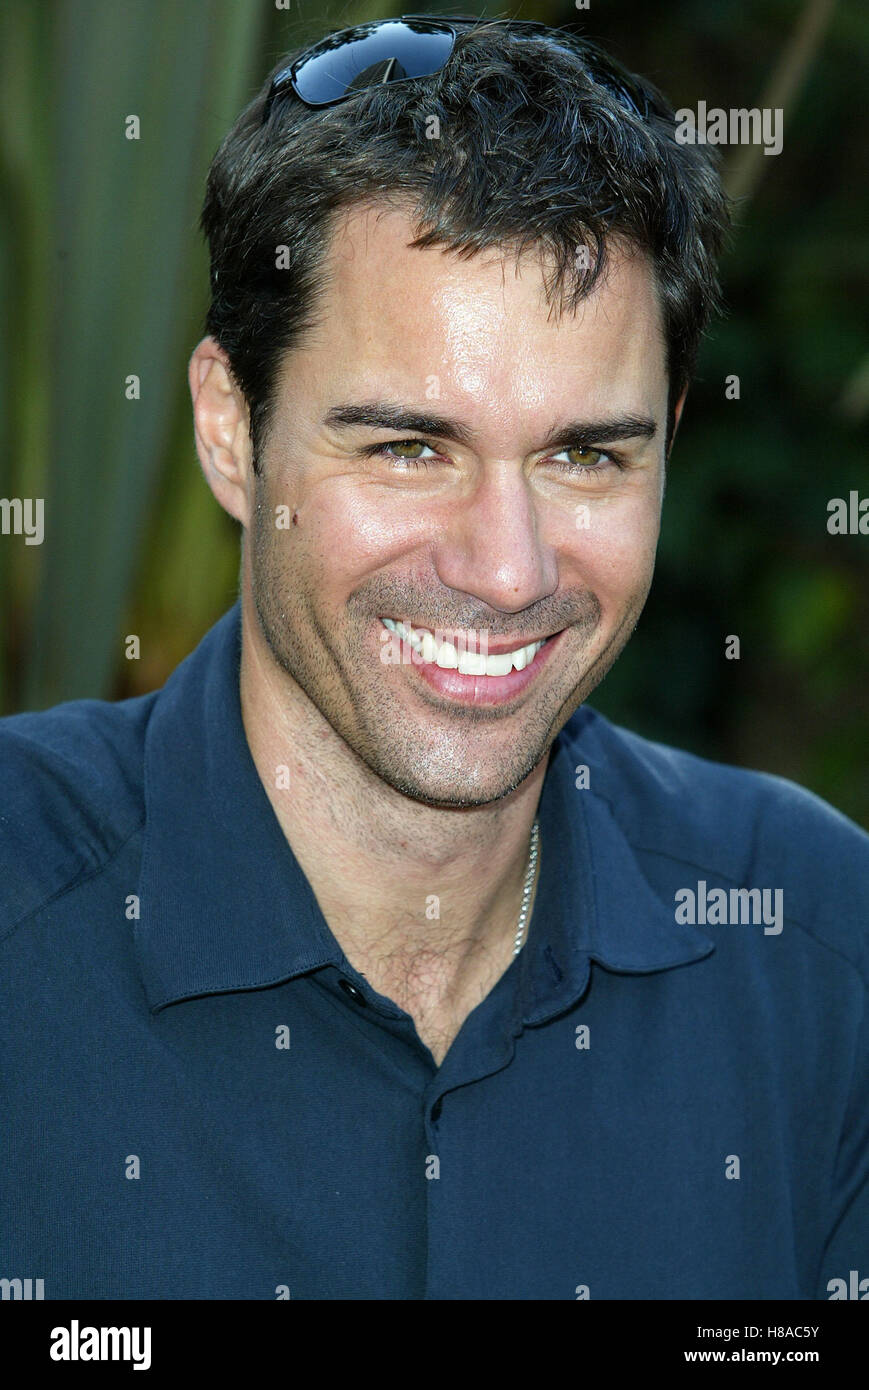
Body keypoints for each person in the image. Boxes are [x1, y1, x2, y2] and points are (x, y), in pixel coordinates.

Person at [1, 15, 866, 1302]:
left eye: (586, 454)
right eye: (409, 447)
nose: (507, 570)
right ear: (230, 430)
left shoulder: (817, 947)